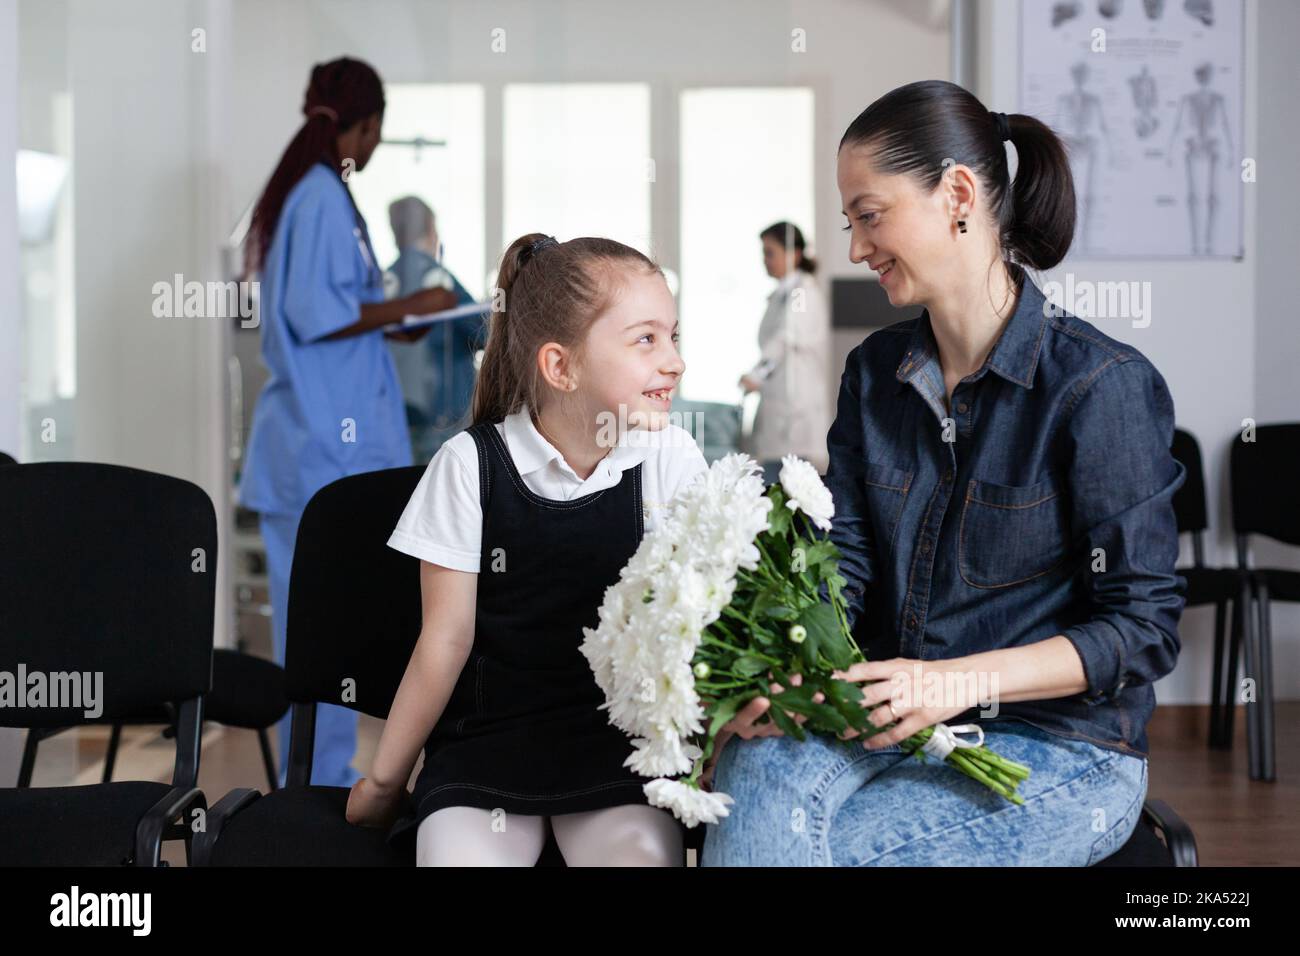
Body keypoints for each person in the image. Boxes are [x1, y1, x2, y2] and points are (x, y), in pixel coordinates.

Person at [702, 80, 1187, 866]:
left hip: (1058, 746)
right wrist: (789, 669)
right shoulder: (874, 373)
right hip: (887, 714)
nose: (856, 248)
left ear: (957, 195)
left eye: (870, 215)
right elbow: (847, 560)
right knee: (750, 769)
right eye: (851, 222)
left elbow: (1141, 630)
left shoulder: (1099, 386)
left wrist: (953, 683)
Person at [345, 233, 709, 865]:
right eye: (646, 339)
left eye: (673, 336)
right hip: (486, 748)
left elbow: (703, 629)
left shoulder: (670, 457)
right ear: (560, 367)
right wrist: (383, 784)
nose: (674, 361)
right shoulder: (469, 465)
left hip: (617, 748)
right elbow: (444, 641)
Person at [240, 57, 457, 787]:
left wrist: (393, 323)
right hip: (315, 448)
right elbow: (313, 313)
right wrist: (410, 304)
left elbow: (336, 312)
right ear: (365, 126)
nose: (376, 144)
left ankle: (321, 781)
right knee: (317, 631)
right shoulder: (318, 196)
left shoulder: (321, 193)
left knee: (330, 623)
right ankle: (312, 789)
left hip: (327, 445)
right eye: (377, 132)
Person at [384, 196, 486, 462]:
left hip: (396, 416)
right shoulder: (441, 281)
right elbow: (484, 333)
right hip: (442, 416)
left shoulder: (385, 282)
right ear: (432, 230)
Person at [739, 222, 832, 479]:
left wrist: (756, 375)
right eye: (763, 253)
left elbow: (784, 339)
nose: (765, 260)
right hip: (780, 408)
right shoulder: (783, 294)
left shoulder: (802, 293)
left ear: (794, 254)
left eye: (770, 253)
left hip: (796, 414)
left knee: (788, 487)